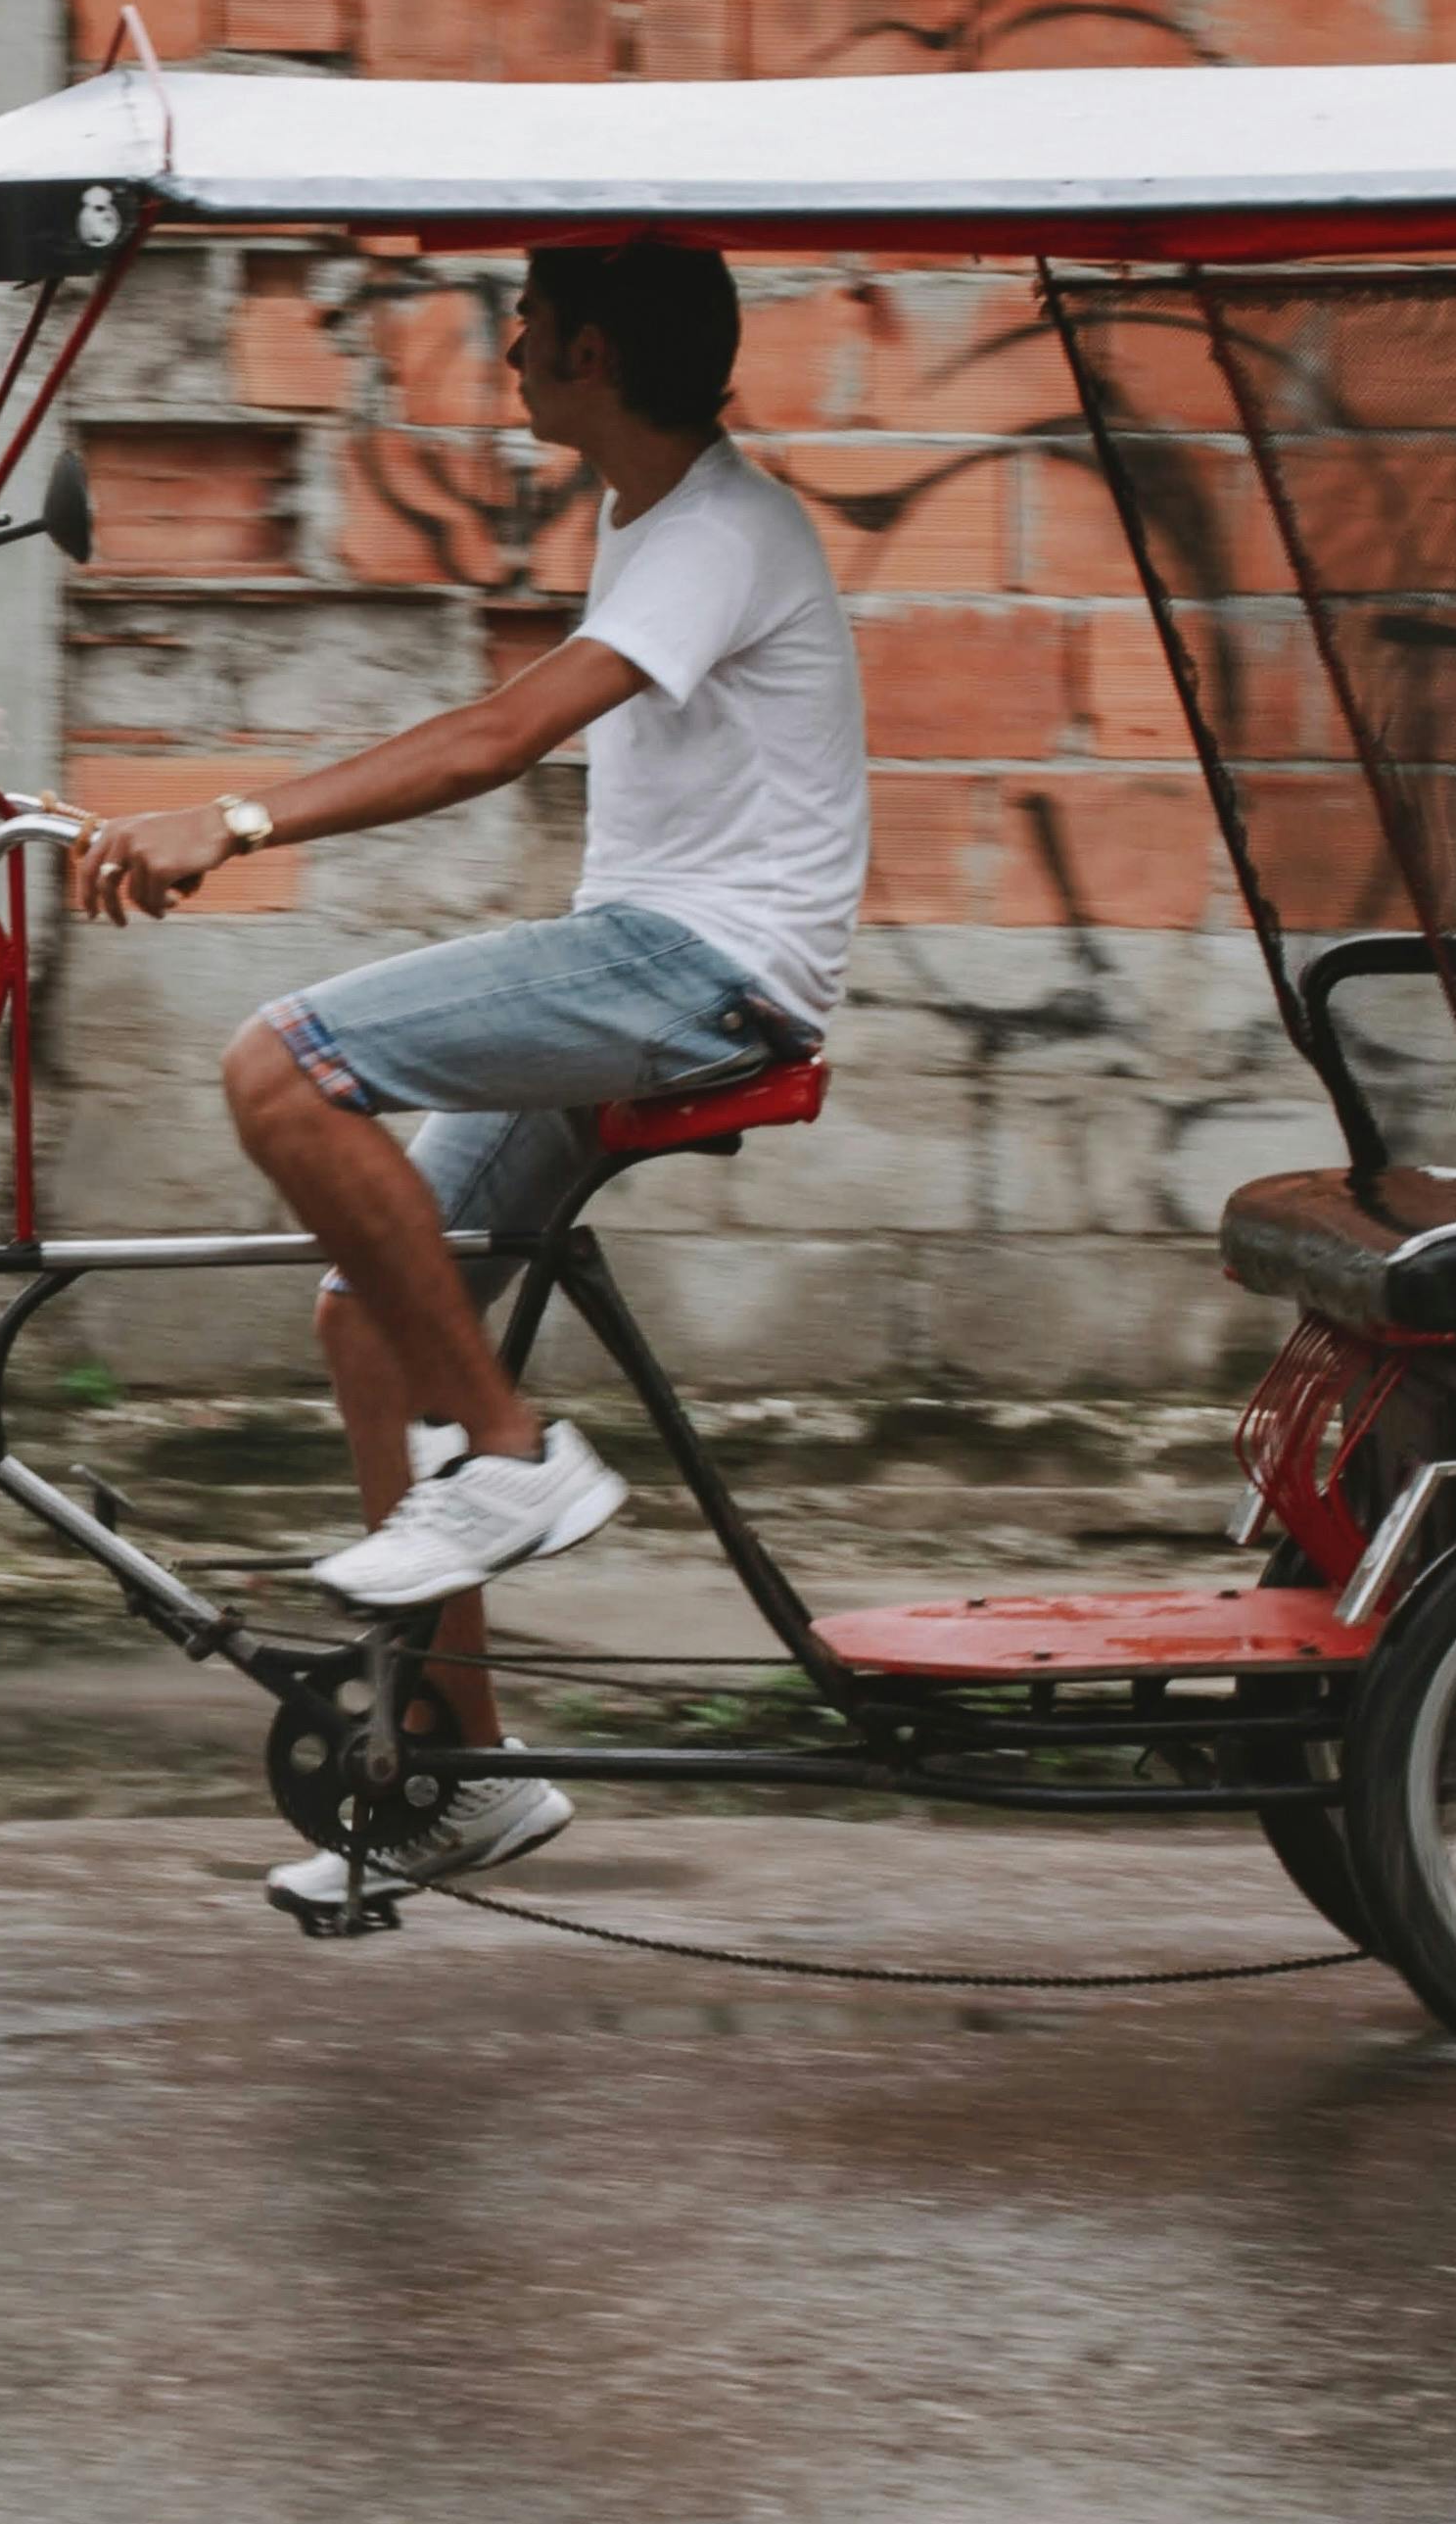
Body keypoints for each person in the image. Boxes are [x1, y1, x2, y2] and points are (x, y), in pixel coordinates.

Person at [70, 241, 869, 1915]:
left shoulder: (719, 528)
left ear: (587, 352)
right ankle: (455, 1774)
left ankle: (508, 1454)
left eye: (525, 328)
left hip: (705, 972)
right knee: (368, 1306)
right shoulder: (654, 511)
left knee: (283, 1066)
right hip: (653, 949)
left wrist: (231, 818)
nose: (504, 351)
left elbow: (500, 735)